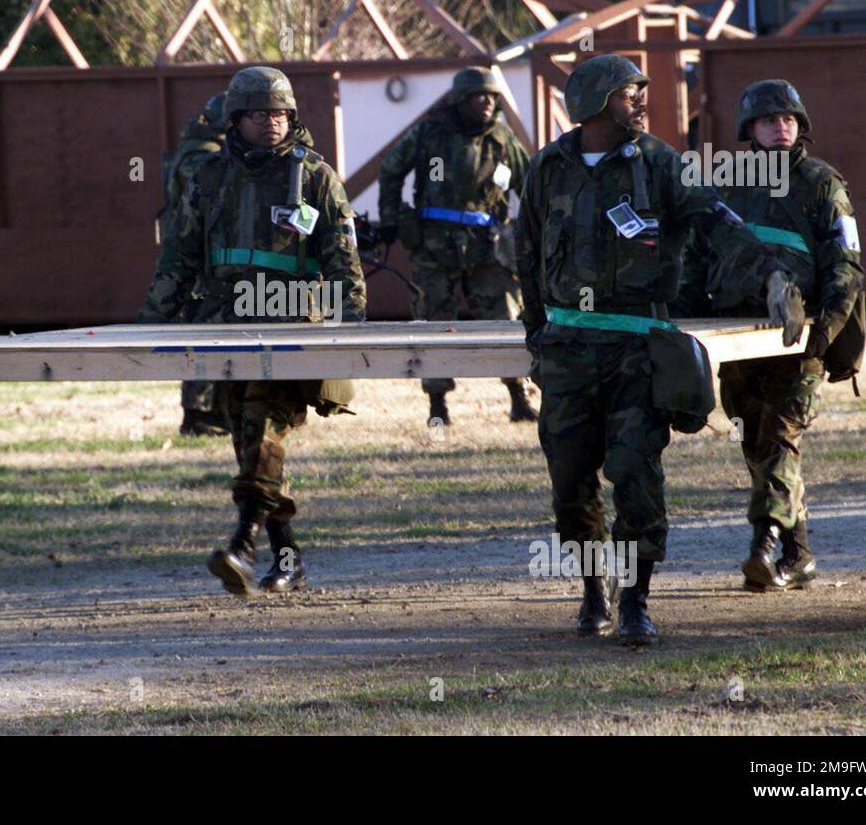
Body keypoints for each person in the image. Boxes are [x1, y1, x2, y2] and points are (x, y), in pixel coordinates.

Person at [513, 54, 804, 645]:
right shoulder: (547, 168)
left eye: (641, 93)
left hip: (637, 350)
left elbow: (717, 223)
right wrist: (537, 336)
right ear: (593, 104)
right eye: (628, 95)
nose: (641, 103)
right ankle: (595, 590)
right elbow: (527, 253)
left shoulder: (661, 164)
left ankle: (638, 600)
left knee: (636, 477)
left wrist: (773, 276)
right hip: (568, 350)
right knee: (570, 483)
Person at [139, 66, 365, 596]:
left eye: (281, 113)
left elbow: (344, 264)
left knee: (263, 429)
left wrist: (348, 335)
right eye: (260, 113)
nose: (272, 122)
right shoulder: (209, 178)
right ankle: (288, 557)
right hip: (224, 332)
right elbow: (179, 255)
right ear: (236, 119)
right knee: (249, 443)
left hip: (291, 332)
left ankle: (242, 546)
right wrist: (148, 327)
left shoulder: (315, 177)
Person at [673, 80, 863, 591]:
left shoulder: (824, 185)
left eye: (789, 119)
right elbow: (696, 257)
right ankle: (799, 555)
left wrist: (825, 329)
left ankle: (762, 542)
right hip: (736, 337)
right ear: (749, 129)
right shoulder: (728, 185)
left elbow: (846, 265)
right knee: (758, 446)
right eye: (769, 119)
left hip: (799, 340)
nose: (781, 127)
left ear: (801, 127)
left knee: (780, 437)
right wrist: (683, 327)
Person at [379, 66, 539, 425]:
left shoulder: (502, 139)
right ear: (460, 99)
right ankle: (437, 407)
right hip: (435, 248)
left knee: (507, 323)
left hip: (490, 249)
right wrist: (390, 217)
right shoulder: (428, 134)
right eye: (478, 95)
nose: (486, 102)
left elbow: (531, 188)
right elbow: (391, 170)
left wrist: (531, 233)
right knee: (434, 327)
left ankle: (520, 398)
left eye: (492, 96)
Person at [159, 93, 230, 437]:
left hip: (210, 259)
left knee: (216, 334)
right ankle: (198, 414)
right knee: (203, 335)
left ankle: (214, 409)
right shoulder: (198, 156)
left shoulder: (205, 151)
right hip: (199, 263)